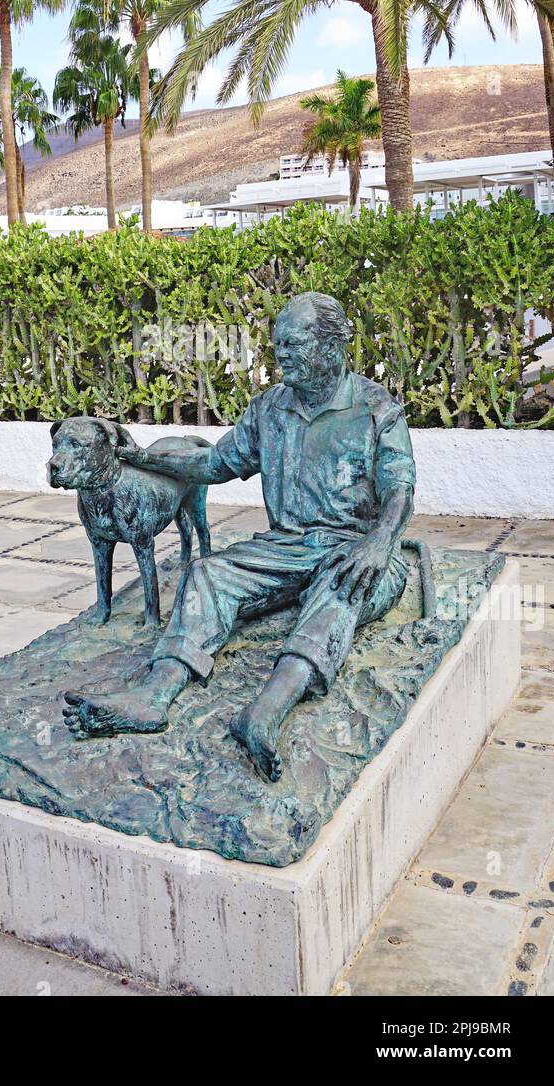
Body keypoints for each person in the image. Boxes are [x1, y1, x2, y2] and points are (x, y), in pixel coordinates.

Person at [63, 292, 415, 782]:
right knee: (207, 574)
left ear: (333, 348)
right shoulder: (268, 409)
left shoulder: (377, 409)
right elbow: (211, 464)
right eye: (277, 346)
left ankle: (264, 715)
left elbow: (400, 489)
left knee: (339, 590)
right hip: (285, 548)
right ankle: (152, 697)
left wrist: (379, 543)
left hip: (356, 549)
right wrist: (139, 457)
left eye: (293, 344)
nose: (281, 355)